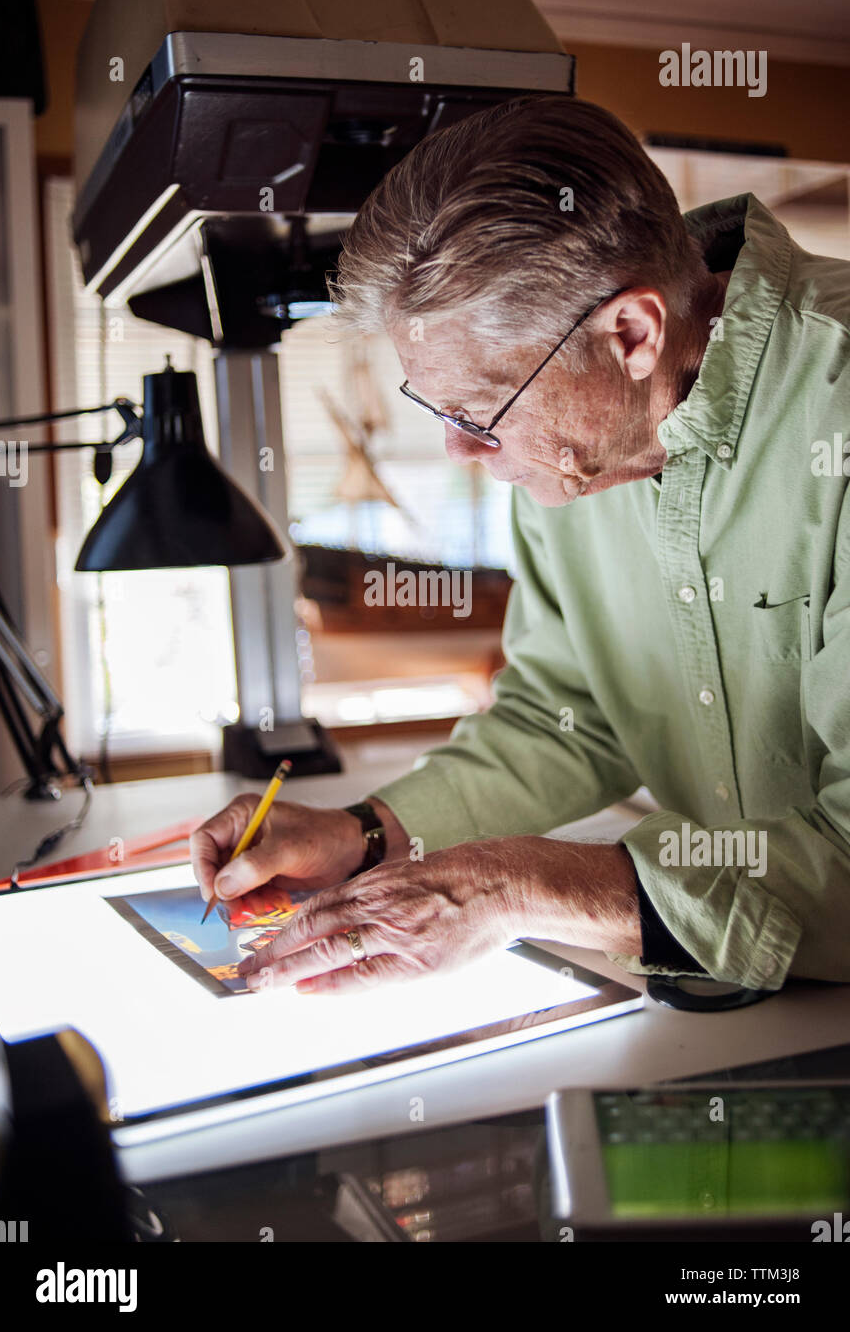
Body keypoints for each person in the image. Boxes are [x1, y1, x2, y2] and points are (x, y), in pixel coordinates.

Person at [191, 95, 850, 997]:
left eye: (480, 411)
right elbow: (561, 716)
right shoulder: (576, 443)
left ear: (633, 334)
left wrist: (514, 889)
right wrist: (365, 833)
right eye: (442, 410)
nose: (460, 451)